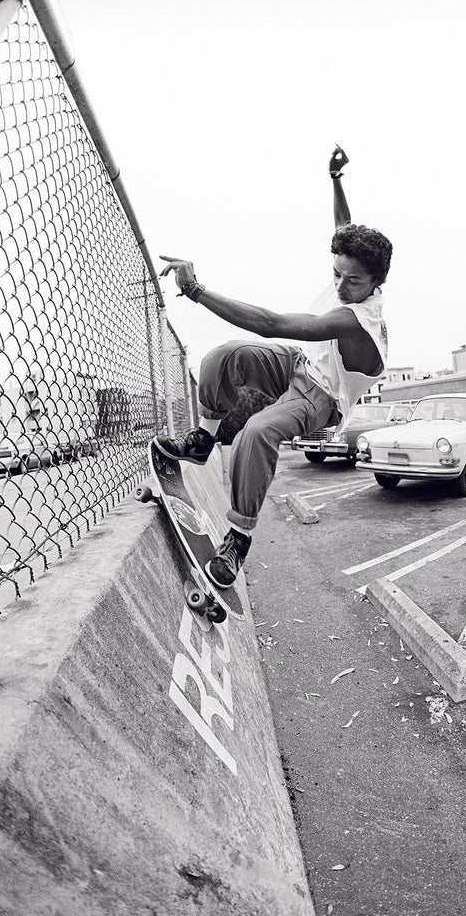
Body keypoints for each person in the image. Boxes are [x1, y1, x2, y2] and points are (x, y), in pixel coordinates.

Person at [154, 145, 391, 588]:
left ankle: (239, 538)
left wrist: (196, 291)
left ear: (377, 282)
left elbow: (272, 324)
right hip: (297, 365)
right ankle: (203, 440)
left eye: (353, 280)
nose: (340, 285)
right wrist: (336, 179)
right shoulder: (352, 274)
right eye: (336, 273)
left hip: (322, 399)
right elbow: (344, 227)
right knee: (222, 356)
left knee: (256, 431)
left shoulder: (357, 320)